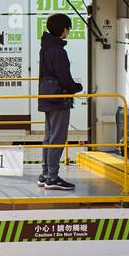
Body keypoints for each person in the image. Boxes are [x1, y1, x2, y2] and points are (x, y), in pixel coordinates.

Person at [38, 12, 83, 191]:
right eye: (68, 28)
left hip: (47, 96)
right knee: (57, 137)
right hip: (58, 98)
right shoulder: (58, 50)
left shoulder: (46, 47)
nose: (69, 31)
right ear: (63, 29)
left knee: (49, 137)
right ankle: (53, 177)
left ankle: (45, 174)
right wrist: (76, 87)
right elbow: (64, 77)